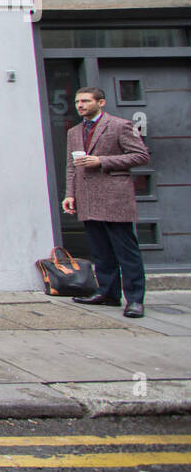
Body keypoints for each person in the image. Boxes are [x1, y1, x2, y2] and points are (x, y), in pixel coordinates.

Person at [63, 87, 148, 318]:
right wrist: (70, 194)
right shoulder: (75, 131)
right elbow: (72, 166)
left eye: (86, 101)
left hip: (114, 197)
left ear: (101, 102)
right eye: (78, 101)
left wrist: (102, 160)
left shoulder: (120, 126)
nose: (80, 105)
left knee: (126, 251)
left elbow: (141, 155)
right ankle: (108, 293)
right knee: (101, 251)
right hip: (88, 197)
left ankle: (135, 300)